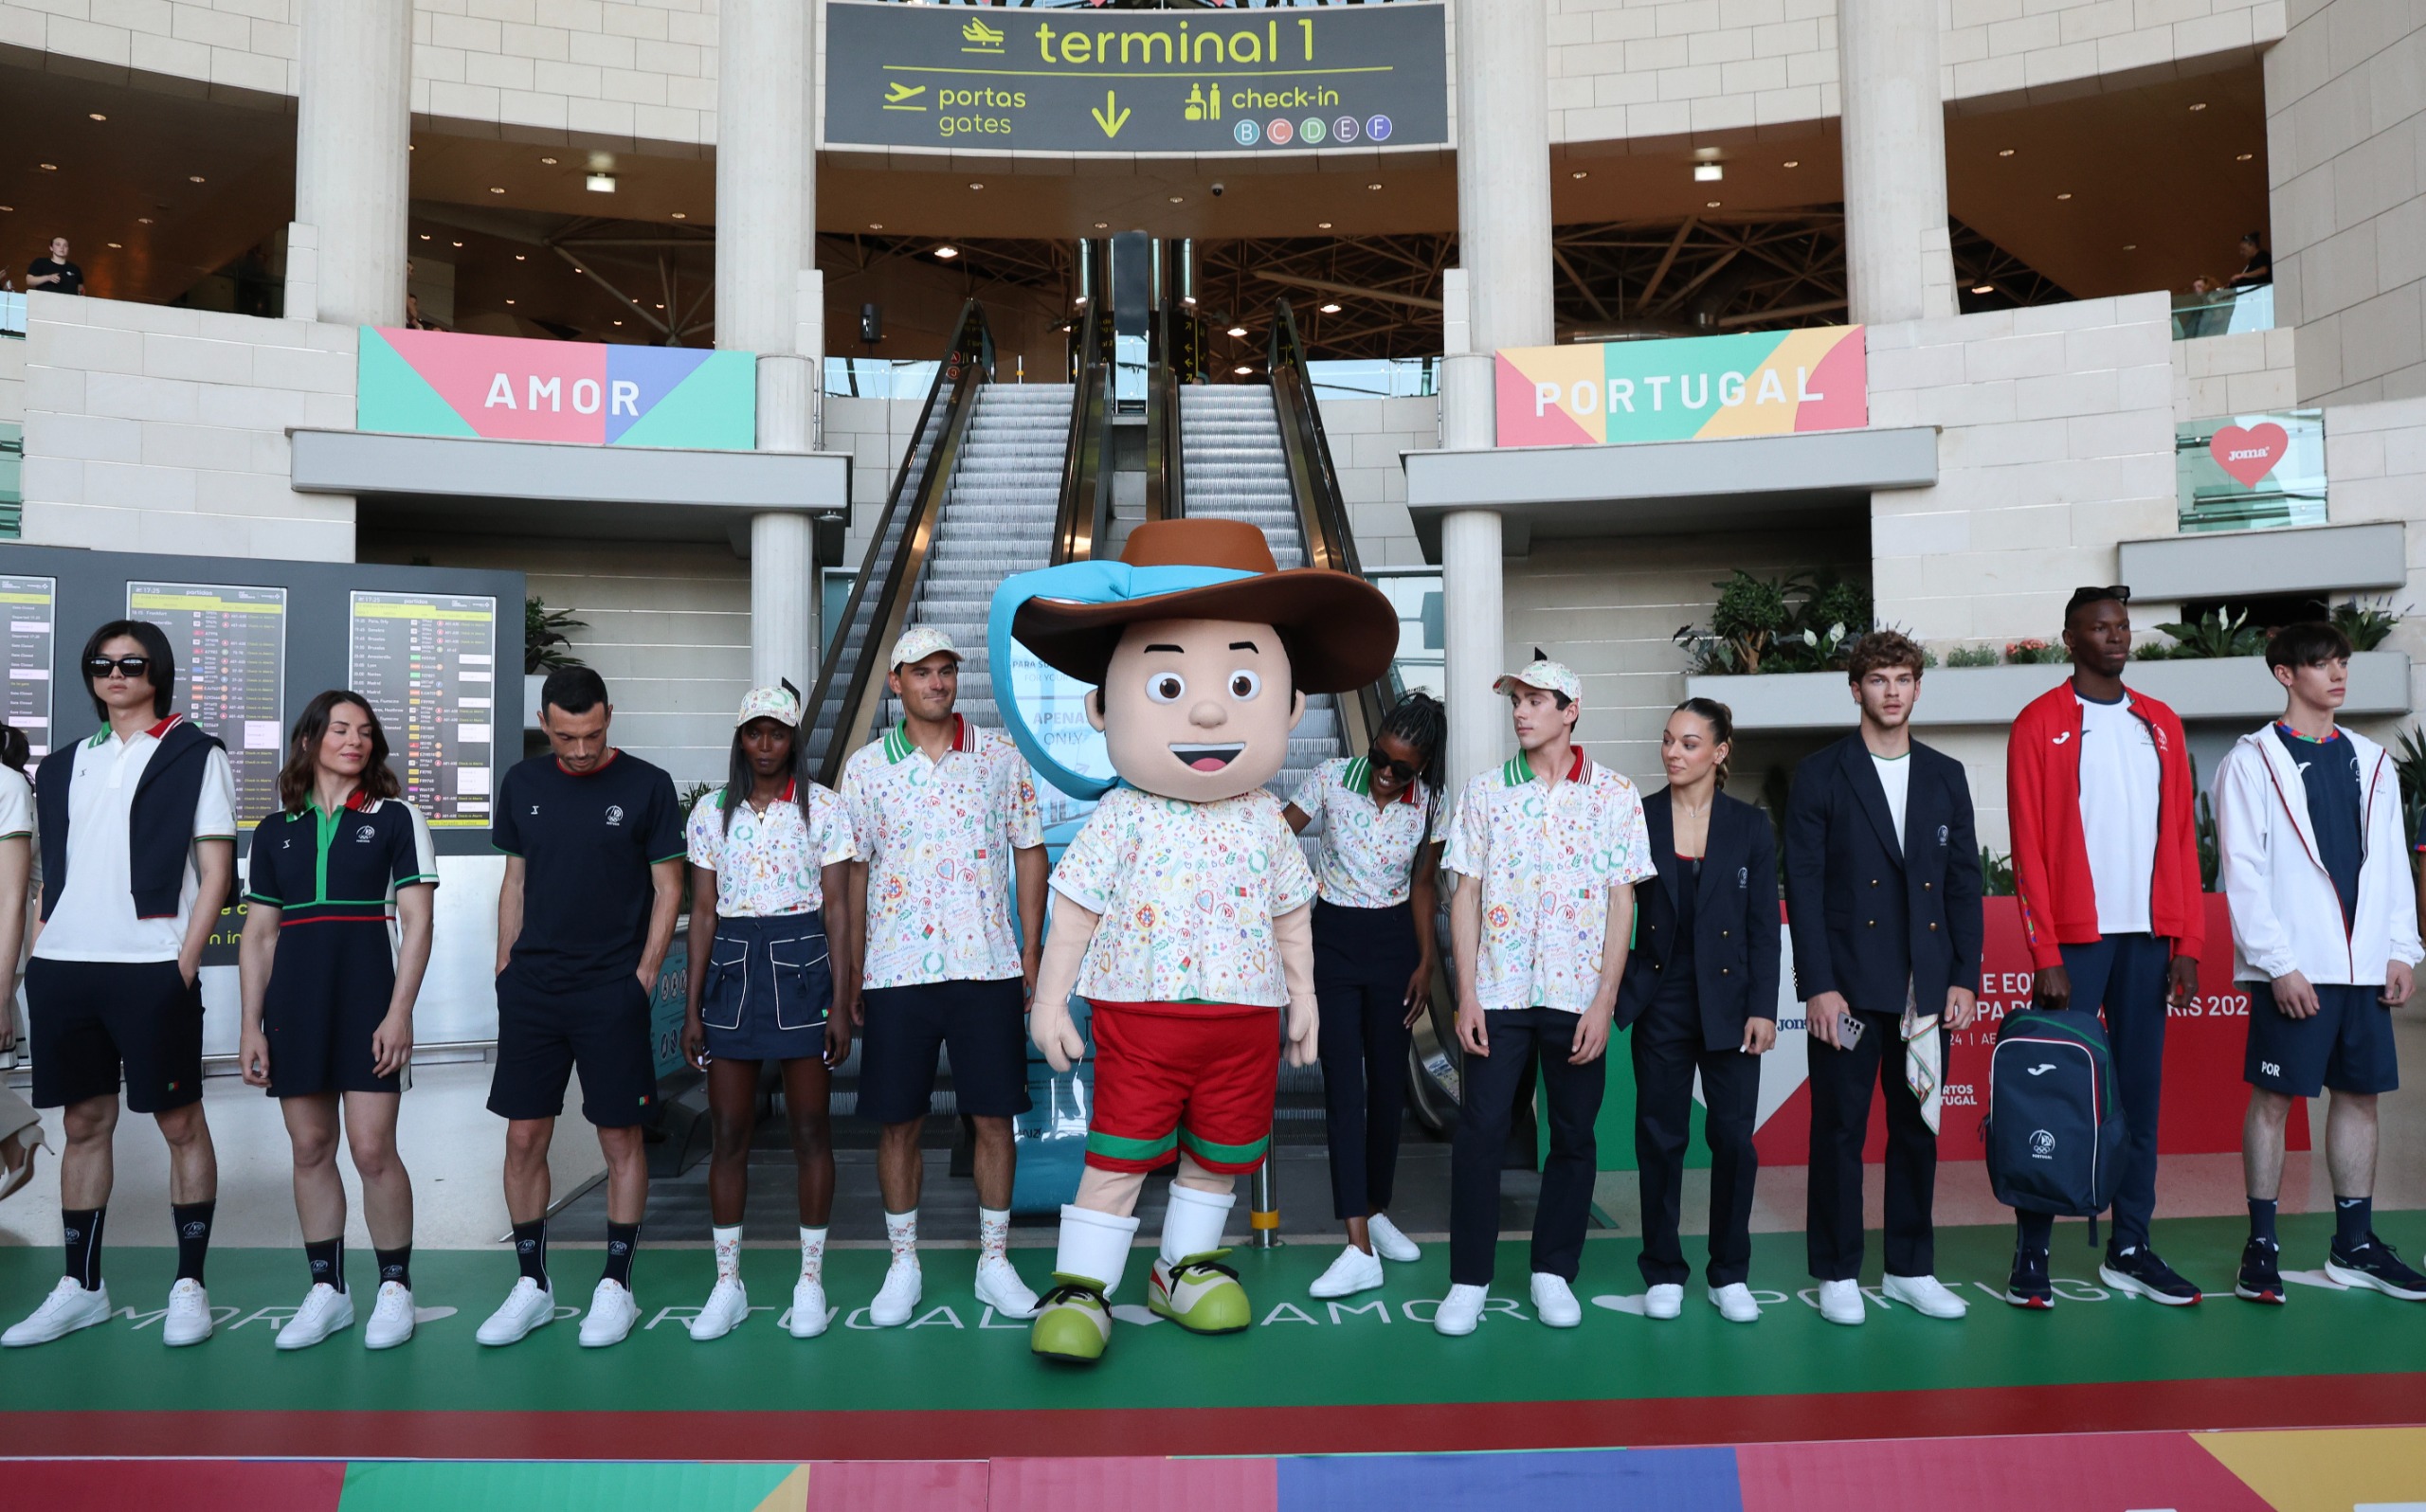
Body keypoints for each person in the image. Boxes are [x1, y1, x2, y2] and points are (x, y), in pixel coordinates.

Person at [3, 621, 236, 1349]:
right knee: (82, 1125)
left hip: (152, 965)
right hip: (67, 966)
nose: (116, 673)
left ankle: (190, 1284)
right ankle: (82, 1286)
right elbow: (56, 874)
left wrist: (186, 961)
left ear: (155, 673)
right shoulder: (64, 762)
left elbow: (219, 870)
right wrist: (40, 953)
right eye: (101, 663)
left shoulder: (196, 753)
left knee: (180, 1123)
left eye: (131, 663)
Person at [1435, 655, 1655, 1337]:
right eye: (1516, 701)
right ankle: (1468, 1279)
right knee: (1479, 1135)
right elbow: (1463, 893)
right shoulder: (1484, 792)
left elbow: (1624, 901)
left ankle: (1553, 1271)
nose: (1522, 711)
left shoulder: (1614, 794)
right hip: (1498, 994)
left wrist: (1604, 1000)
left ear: (1571, 710)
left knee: (1574, 1136)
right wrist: (1466, 994)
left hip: (1576, 997)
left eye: (1536, 700)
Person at [2004, 585, 2205, 1307]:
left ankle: (2132, 1246)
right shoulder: (2039, 723)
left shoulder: (2161, 724)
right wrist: (2046, 952)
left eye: (2122, 626)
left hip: (2149, 940)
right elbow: (2027, 849)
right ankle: (2031, 1255)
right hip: (2076, 944)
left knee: (2139, 1102)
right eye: (2100, 627)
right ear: (2071, 639)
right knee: (2052, 1100)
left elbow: (2181, 837)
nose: (2116, 637)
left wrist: (2187, 937)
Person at [842, 628, 1047, 1327]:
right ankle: (904, 1264)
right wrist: (856, 973)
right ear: (895, 682)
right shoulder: (867, 771)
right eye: (922, 672)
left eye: (946, 671)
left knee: (994, 1118)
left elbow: (1029, 851)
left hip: (986, 964)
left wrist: (1031, 952)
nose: (938, 682)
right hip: (896, 972)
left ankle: (994, 1261)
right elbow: (855, 875)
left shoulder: (997, 757)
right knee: (898, 1123)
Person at [475, 666, 684, 1350]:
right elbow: (515, 880)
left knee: (620, 1139)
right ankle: (532, 1284)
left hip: (610, 989)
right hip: (533, 987)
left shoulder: (647, 785)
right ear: (545, 724)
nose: (582, 750)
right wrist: (504, 964)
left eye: (593, 734)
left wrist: (645, 975)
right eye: (567, 737)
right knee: (522, 1138)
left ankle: (614, 1286)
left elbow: (667, 887)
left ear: (610, 716)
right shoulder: (523, 783)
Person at [2218, 621, 2426, 1305]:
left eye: (2342, 662)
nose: (2337, 674)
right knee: (2275, 1100)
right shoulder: (2250, 761)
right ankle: (2262, 1245)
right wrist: (2277, 964)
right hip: (2296, 969)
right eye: (2321, 664)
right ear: (2286, 674)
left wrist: (2401, 948)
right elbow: (2241, 873)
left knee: (2360, 1098)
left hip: (2363, 968)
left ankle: (2355, 1244)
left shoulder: (2371, 760)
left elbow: (2392, 864)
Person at [1783, 629, 1981, 1328]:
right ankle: (1837, 1272)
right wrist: (1818, 985)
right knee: (1838, 1132)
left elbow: (1964, 885)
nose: (1892, 691)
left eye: (1903, 678)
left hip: (1925, 991)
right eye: (1878, 680)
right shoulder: (1820, 774)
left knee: (1917, 1130)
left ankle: (1909, 1269)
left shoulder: (1945, 774)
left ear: (1918, 688)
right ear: (1856, 689)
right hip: (1849, 989)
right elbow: (1803, 891)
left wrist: (1964, 977)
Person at [237, 692, 438, 1351]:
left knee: (373, 1149)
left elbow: (416, 923)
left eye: (366, 732)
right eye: (341, 729)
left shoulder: (395, 817)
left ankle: (394, 1289)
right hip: (296, 1003)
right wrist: (250, 1025)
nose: (355, 740)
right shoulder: (274, 829)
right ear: (309, 740)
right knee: (309, 1148)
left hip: (367, 998)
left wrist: (399, 1012)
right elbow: (260, 936)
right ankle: (328, 1289)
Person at [679, 683, 858, 1342]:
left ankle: (809, 1281)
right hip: (731, 968)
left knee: (812, 1129)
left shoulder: (825, 809)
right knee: (728, 1133)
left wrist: (841, 998)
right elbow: (701, 911)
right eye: (753, 733)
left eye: (777, 733)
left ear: (793, 740)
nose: (764, 746)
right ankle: (728, 1282)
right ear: (740, 738)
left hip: (801, 962)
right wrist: (694, 1006)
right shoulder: (709, 812)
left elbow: (837, 907)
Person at [1617, 698, 1778, 1324]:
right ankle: (1662, 1269)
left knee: (1734, 1139)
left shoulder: (1749, 826)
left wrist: (1764, 1007)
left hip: (1733, 1004)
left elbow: (1764, 927)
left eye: (1688, 743)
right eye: (1667, 742)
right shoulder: (1638, 817)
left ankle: (1729, 1271)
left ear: (1720, 751)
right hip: (1660, 999)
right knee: (1661, 1138)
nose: (1673, 754)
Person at [1283, 691, 1447, 1301]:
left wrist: (1427, 961)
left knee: (1388, 1088)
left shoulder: (1431, 802)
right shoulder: (1330, 777)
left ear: (1423, 768)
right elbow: (1279, 838)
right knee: (1344, 1088)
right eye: (1381, 756)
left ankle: (1375, 1211)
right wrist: (1295, 904)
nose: (1385, 773)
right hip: (1334, 938)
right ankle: (1356, 1245)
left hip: (1394, 945)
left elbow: (1424, 885)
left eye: (1402, 768)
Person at [0, 724, 42, 1205]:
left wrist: (4, 991)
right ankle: (16, 1136)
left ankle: (16, 1136)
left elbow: (18, 899)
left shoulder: (8, 788)